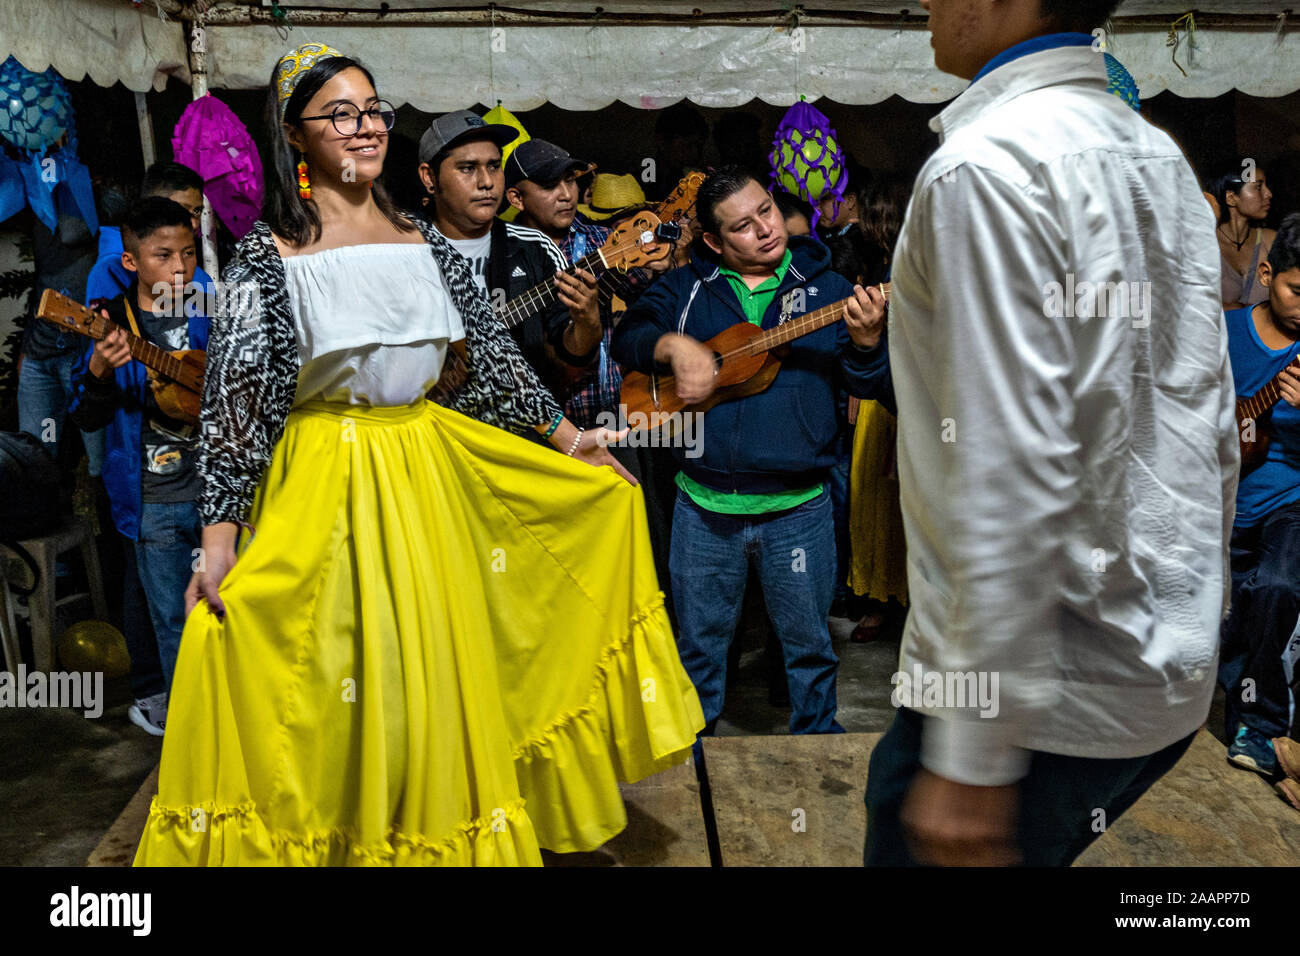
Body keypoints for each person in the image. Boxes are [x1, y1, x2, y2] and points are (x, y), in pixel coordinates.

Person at [132, 42, 703, 867]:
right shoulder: (268, 253)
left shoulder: (421, 238)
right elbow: (235, 402)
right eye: (340, 114)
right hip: (326, 482)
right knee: (336, 679)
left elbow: (492, 367)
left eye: (373, 111)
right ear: (295, 135)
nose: (363, 129)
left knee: (432, 671)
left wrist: (572, 441)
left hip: (426, 475)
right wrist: (218, 540)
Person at [864, 0, 1236, 868]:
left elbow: (1003, 461)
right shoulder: (1155, 153)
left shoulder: (985, 168)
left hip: (1033, 696)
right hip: (1158, 672)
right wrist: (1196, 618)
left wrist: (971, 754)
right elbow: (1200, 411)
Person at [612, 166, 891, 736]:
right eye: (743, 226)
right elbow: (629, 336)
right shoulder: (687, 289)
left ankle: (816, 754)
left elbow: (869, 385)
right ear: (714, 241)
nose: (765, 229)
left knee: (809, 653)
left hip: (799, 510)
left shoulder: (830, 289)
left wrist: (865, 344)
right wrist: (672, 346)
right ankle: (696, 765)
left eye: (766, 210)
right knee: (699, 650)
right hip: (703, 511)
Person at [67, 197, 209, 732]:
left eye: (188, 254)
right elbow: (82, 414)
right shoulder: (107, 323)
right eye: (163, 256)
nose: (179, 268)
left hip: (220, 496)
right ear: (132, 262)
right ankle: (194, 735)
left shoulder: (208, 312)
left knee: (235, 613)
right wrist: (101, 371)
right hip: (155, 501)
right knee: (173, 623)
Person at [417, 111, 601, 415]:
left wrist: (588, 322)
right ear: (429, 177)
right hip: (433, 428)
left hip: (522, 427)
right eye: (467, 168)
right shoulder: (403, 248)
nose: (487, 182)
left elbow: (572, 353)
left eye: (493, 166)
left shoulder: (535, 248)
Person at [1218, 212, 1300, 780]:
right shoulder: (1223, 330)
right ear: (1268, 275)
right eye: (1299, 288)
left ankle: (1264, 727)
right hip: (1217, 497)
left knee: (1276, 587)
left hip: (1289, 501)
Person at [1209, 164, 1276, 311]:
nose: (1268, 194)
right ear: (1231, 198)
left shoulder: (1270, 242)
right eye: (1258, 187)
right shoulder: (1205, 244)